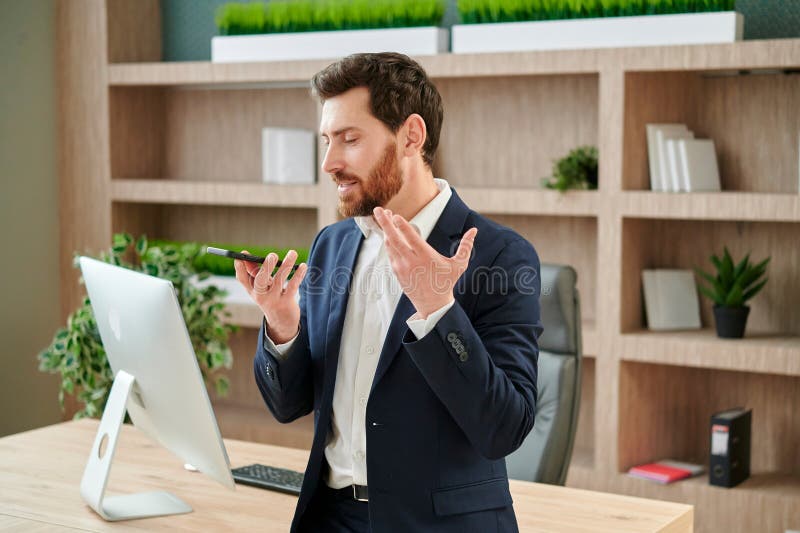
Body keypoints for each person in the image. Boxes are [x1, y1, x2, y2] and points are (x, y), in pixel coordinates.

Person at [234, 52, 542, 533]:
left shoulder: (500, 256)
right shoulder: (332, 244)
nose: (329, 162)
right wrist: (283, 325)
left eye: (350, 139)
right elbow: (288, 405)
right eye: (327, 141)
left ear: (411, 137)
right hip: (330, 516)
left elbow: (504, 428)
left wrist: (439, 310)